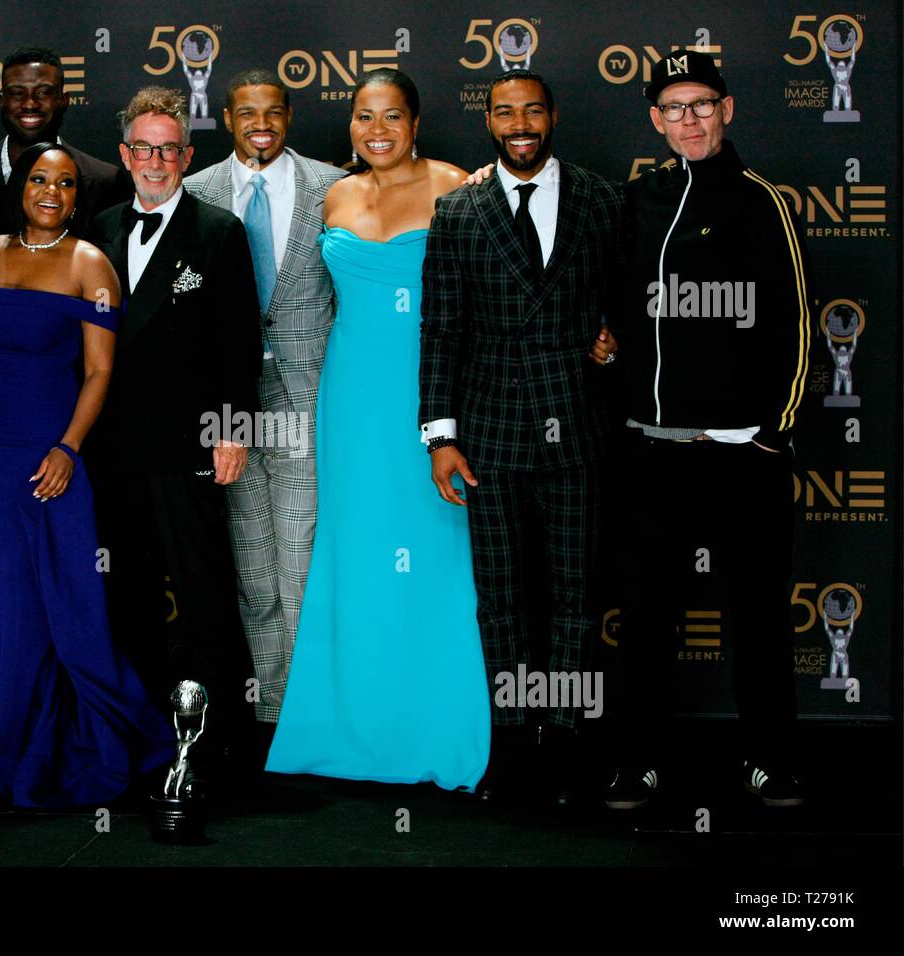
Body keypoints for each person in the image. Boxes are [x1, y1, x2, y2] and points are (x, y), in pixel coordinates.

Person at [0, 143, 175, 807]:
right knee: (7, 589)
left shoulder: (90, 263)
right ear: (20, 187)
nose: (50, 191)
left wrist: (68, 448)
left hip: (55, 457)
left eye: (64, 183)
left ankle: (7, 748)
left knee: (62, 602)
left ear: (78, 198)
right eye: (38, 180)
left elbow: (101, 371)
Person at [596, 51, 811, 810]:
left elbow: (796, 322)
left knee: (755, 615)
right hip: (651, 450)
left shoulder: (761, 201)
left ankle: (772, 761)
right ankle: (639, 761)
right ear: (655, 119)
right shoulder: (636, 199)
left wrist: (772, 434)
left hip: (739, 452)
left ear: (727, 110)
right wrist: (608, 338)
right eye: (673, 107)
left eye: (701, 104)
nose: (688, 119)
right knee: (645, 616)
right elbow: (615, 303)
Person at [266, 69, 491, 791]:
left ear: (416, 121)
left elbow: (488, 295)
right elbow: (302, 303)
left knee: (434, 554)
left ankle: (432, 723)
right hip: (351, 396)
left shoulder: (458, 185)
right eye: (365, 117)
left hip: (431, 395)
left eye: (392, 115)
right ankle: (347, 726)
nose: (378, 129)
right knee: (354, 550)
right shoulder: (335, 194)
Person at [419, 70, 623, 805]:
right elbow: (440, 327)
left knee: (574, 596)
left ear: (553, 116)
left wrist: (613, 340)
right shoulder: (458, 210)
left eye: (532, 110)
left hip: (578, 429)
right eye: (505, 113)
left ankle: (565, 738)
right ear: (490, 124)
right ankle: (510, 742)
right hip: (491, 433)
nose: (520, 124)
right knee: (501, 599)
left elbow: (627, 303)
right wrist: (439, 437)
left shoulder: (604, 200)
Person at [86, 86, 264, 791]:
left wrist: (233, 431)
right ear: (125, 155)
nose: (156, 161)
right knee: (124, 590)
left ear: (188, 157)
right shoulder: (94, 227)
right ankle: (139, 733)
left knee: (203, 591)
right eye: (143, 148)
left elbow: (240, 343)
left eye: (169, 149)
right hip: (109, 451)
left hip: (188, 445)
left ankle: (214, 744)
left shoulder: (217, 230)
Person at [184, 69, 347, 730]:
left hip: (308, 396)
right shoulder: (197, 192)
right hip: (229, 404)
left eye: (273, 112)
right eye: (247, 112)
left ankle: (312, 712)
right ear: (226, 118)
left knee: (302, 559)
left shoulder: (333, 187)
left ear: (289, 116)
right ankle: (269, 715)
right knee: (253, 568)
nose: (261, 124)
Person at [0, 46, 132, 241]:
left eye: (43, 93)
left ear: (63, 100)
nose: (30, 104)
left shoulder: (104, 182)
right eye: (17, 93)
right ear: (2, 101)